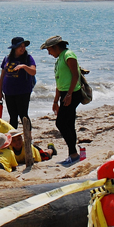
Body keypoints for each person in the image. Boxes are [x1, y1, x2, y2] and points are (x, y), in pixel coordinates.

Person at [40, 36, 82, 167]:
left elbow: (76, 75)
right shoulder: (59, 60)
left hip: (73, 93)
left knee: (61, 123)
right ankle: (72, 154)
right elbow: (59, 82)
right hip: (65, 94)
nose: (49, 53)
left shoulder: (68, 55)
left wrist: (69, 94)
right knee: (69, 124)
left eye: (49, 50)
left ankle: (74, 154)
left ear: (55, 47)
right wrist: (55, 101)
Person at [0, 37, 37, 128]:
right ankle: (14, 138)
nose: (23, 48)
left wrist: (24, 66)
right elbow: (2, 76)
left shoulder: (28, 58)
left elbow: (33, 71)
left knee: (23, 115)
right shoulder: (7, 58)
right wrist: (0, 91)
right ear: (14, 48)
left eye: (24, 46)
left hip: (23, 92)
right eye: (20, 46)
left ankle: (28, 138)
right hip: (8, 92)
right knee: (13, 117)